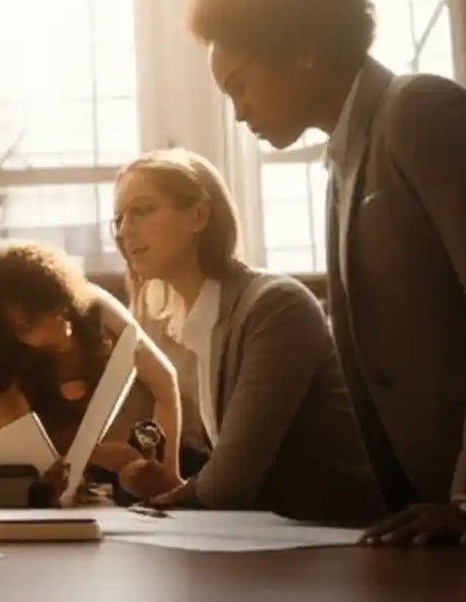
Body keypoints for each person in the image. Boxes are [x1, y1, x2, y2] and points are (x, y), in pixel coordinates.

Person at [189, 0, 466, 544]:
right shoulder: (344, 163)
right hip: (430, 514)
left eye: (240, 86)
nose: (239, 113)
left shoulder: (422, 112)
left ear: (303, 51)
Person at [95, 147, 382, 524]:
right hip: (271, 539)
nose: (124, 230)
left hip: (341, 541)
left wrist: (170, 496)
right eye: (118, 218)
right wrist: (165, 485)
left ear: (198, 215)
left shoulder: (275, 307)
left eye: (142, 210)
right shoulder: (184, 324)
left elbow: (231, 481)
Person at [0, 241, 182, 497]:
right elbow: (22, 471)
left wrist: (168, 473)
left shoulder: (94, 308)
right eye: (28, 324)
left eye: (42, 303)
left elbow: (164, 382)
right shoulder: (4, 384)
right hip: (84, 495)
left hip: (151, 462)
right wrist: (96, 456)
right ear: (7, 346)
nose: (52, 319)